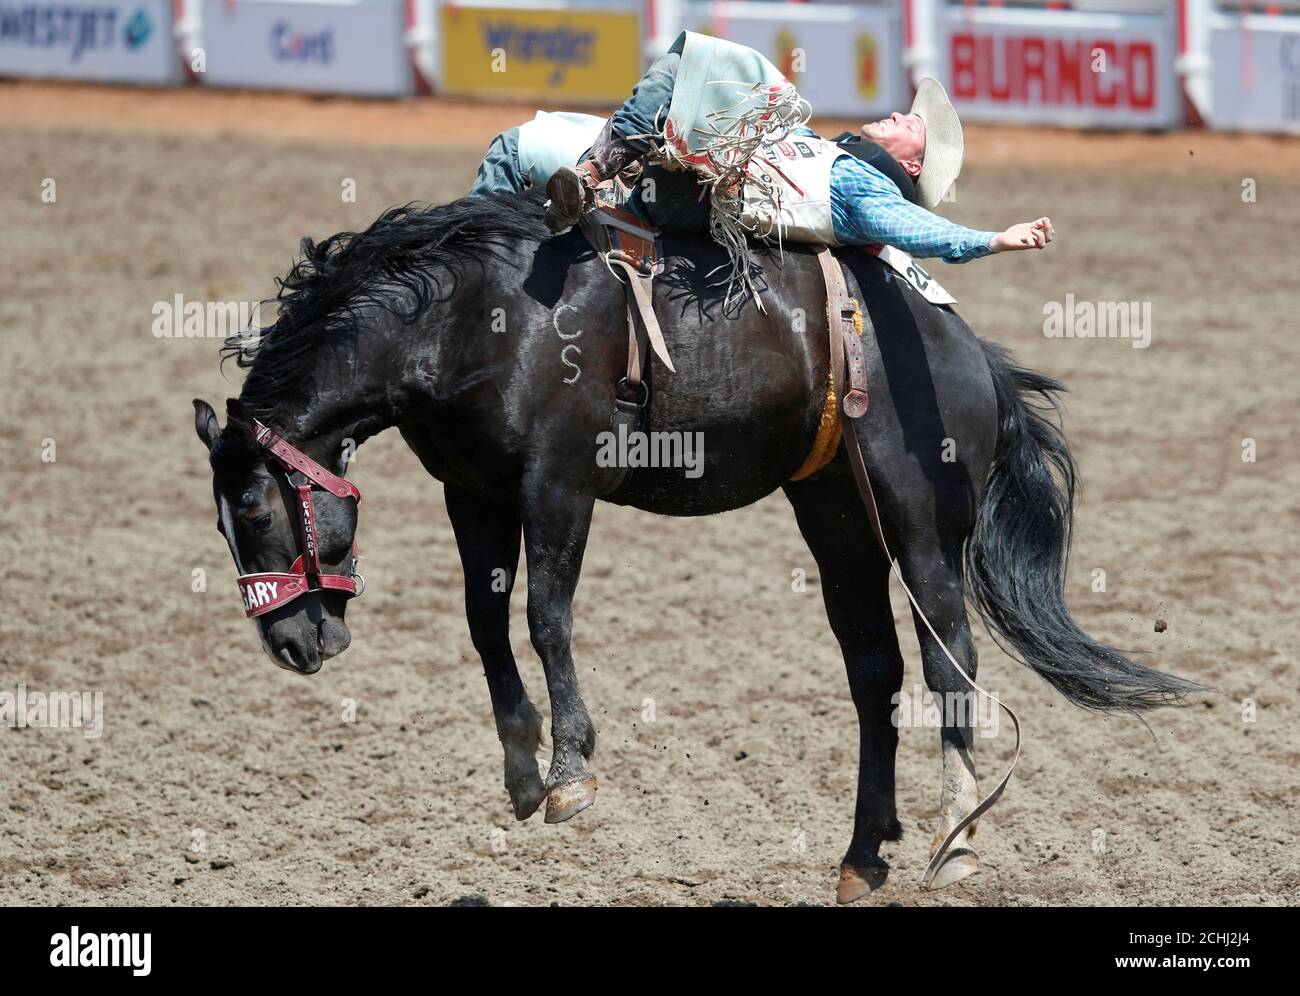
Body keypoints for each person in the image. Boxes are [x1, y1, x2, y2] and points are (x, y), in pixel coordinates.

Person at [473, 32, 1052, 272]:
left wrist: (992, 240)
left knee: (733, 70)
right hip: (689, 179)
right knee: (517, 144)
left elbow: (917, 230)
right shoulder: (825, 152)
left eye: (913, 127)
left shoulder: (864, 188)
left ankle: (593, 171)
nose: (902, 113)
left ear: (911, 166)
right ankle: (478, 257)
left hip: (704, 198)